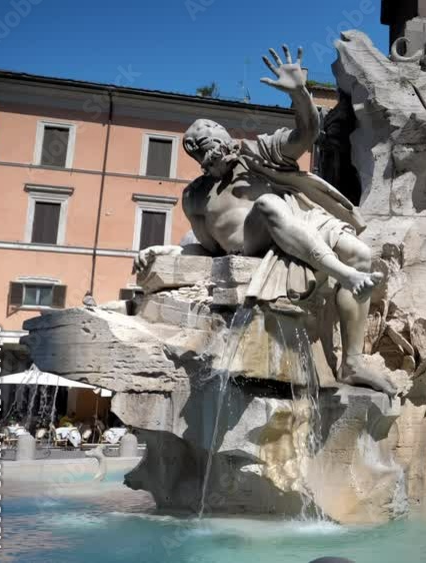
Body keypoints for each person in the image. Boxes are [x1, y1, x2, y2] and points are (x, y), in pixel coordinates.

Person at [133, 46, 396, 396]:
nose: (211, 148)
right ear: (197, 159)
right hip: (252, 244)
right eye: (200, 148)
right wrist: (163, 250)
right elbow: (205, 249)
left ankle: (352, 363)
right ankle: (343, 274)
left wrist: (301, 95)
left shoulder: (260, 154)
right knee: (270, 203)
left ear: (227, 137)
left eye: (215, 138)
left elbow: (305, 134)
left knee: (362, 254)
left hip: (303, 224)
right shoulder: (196, 196)